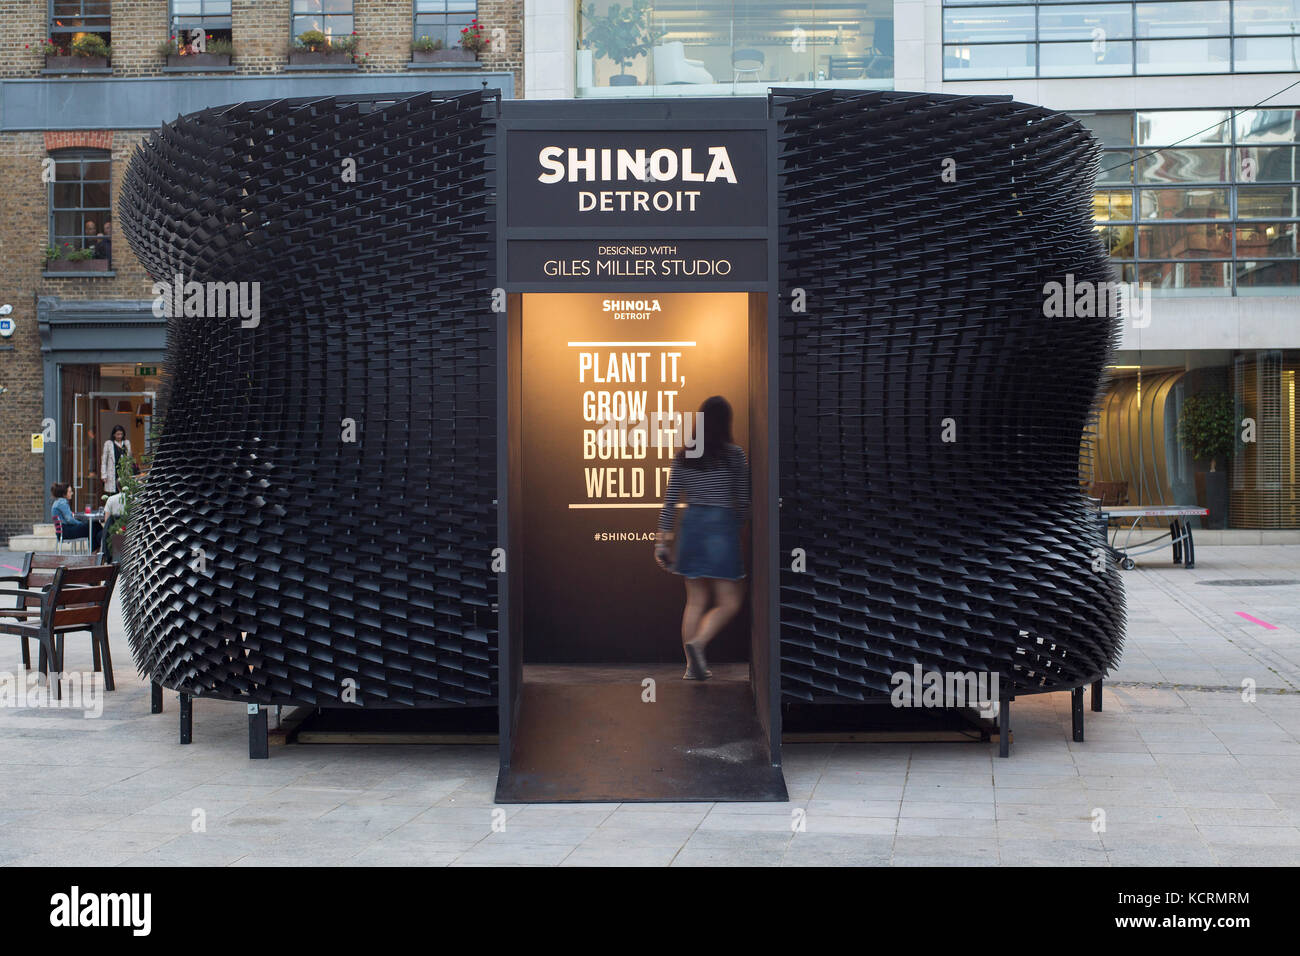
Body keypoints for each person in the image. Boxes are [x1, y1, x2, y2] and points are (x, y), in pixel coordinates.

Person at [654, 395, 750, 681]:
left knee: (695, 600)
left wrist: (661, 542)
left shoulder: (683, 456)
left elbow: (670, 503)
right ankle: (699, 643)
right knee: (730, 601)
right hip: (720, 525)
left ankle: (691, 666)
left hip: (692, 526)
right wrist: (737, 524)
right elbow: (743, 501)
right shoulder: (735, 455)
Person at [50, 482, 101, 550]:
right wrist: (80, 523)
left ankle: (95, 551)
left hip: (62, 531)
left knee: (93, 525)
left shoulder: (57, 502)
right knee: (93, 525)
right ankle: (96, 551)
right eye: (70, 492)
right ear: (64, 494)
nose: (72, 493)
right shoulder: (62, 502)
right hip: (66, 531)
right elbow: (69, 519)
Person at [100, 424, 133, 495]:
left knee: (124, 491)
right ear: (114, 434)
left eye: (121, 434)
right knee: (113, 493)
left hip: (124, 471)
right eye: (117, 434)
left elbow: (129, 458)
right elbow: (104, 460)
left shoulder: (127, 443)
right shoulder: (108, 444)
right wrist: (104, 475)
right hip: (112, 471)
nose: (119, 436)